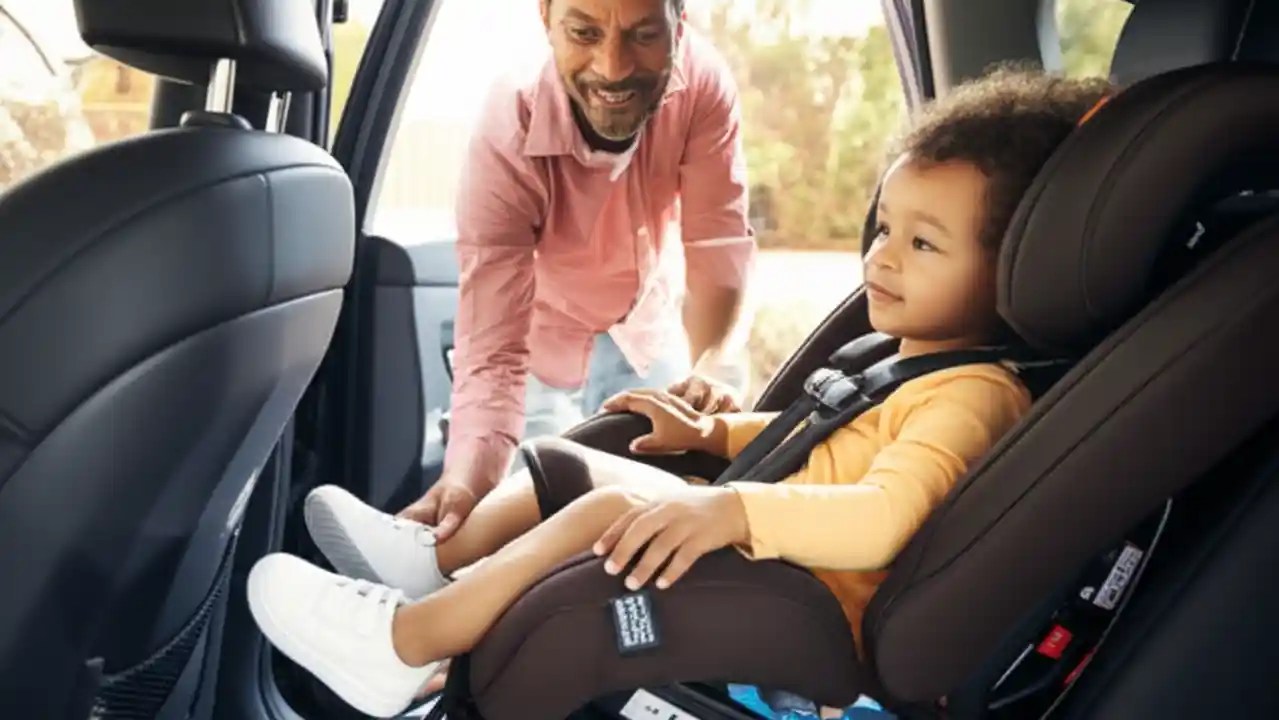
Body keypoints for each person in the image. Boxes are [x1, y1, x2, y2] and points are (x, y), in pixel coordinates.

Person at [246, 68, 1113, 718]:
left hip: (816, 592)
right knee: (561, 461)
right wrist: (711, 429)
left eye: (924, 246)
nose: (882, 257)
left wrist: (731, 510)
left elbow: (885, 513)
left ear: (1015, 273)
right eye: (884, 227)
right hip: (777, 542)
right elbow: (822, 435)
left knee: (601, 511)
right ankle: (436, 564)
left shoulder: (974, 395)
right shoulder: (910, 359)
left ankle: (404, 646)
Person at [406, 0, 758, 544]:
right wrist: (464, 478)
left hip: (645, 328)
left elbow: (718, 243)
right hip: (539, 345)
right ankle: (427, 580)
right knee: (529, 511)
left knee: (657, 506)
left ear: (678, 20)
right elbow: (494, 338)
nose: (613, 67)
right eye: (584, 32)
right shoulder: (509, 123)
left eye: (643, 34)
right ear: (545, 17)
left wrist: (711, 367)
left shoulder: (703, 84)